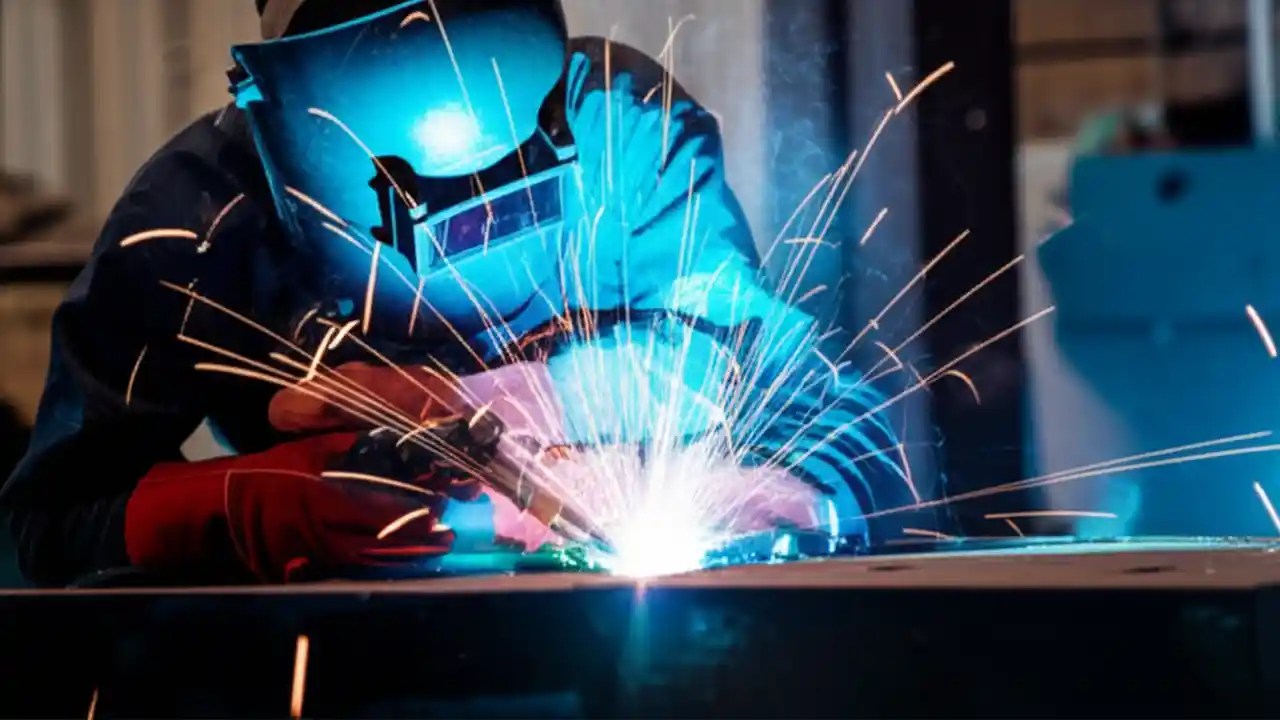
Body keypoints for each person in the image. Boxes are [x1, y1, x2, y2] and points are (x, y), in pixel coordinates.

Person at [1, 0, 921, 588]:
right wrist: (218, 508)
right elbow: (33, 533)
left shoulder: (621, 128)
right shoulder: (198, 224)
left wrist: (792, 496)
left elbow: (831, 411)